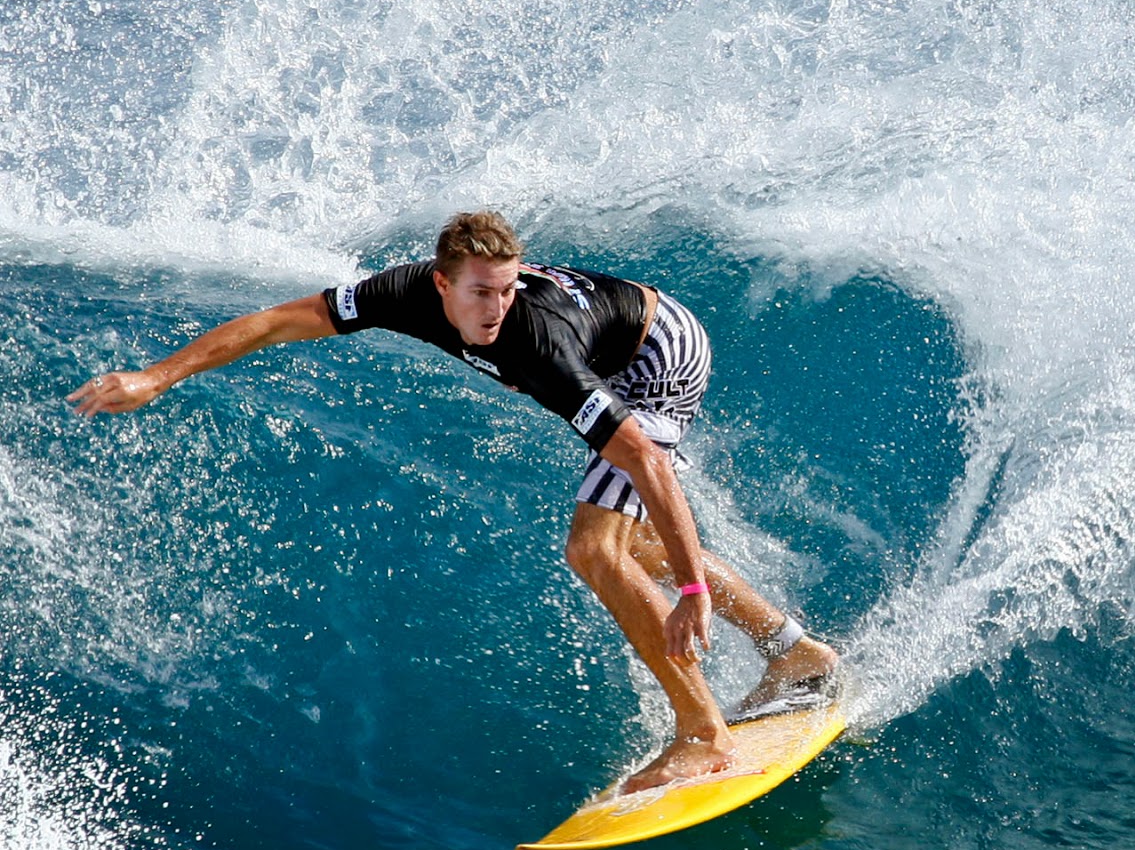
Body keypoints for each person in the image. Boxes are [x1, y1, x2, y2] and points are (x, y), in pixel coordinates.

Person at [69, 210, 839, 792]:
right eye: (480, 292)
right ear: (439, 284)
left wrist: (695, 590)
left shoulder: (535, 343)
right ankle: (795, 651)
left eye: (507, 288)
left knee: (594, 547)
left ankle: (703, 731)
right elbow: (280, 320)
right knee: (631, 545)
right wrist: (158, 376)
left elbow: (645, 460)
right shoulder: (401, 291)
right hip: (624, 334)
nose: (495, 307)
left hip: (660, 355)